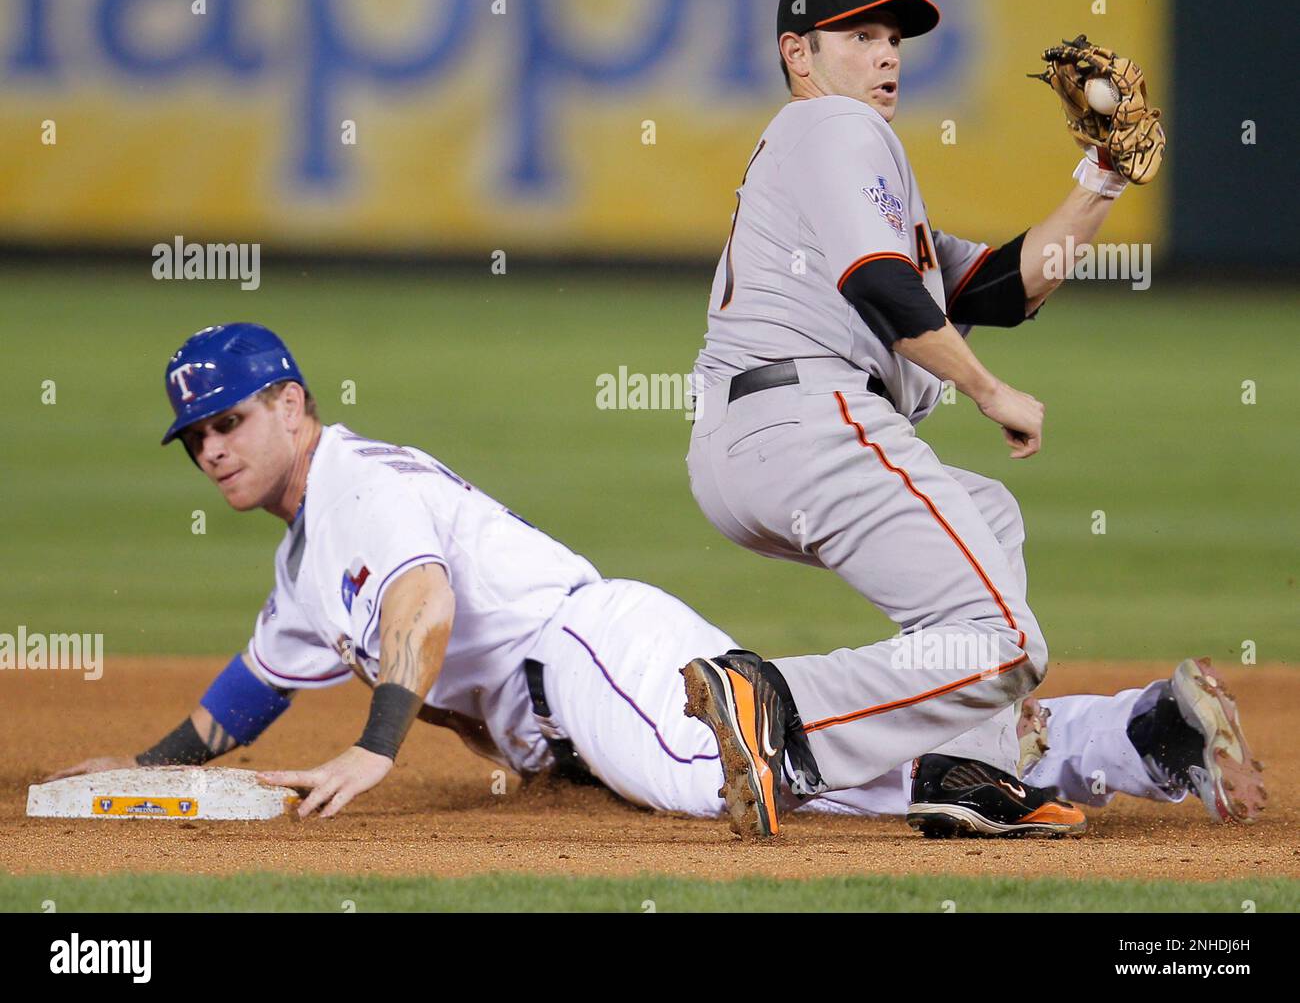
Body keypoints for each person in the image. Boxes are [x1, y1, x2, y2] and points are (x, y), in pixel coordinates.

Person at [46, 324, 1264, 836]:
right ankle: (1129, 739)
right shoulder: (305, 555)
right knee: (788, 776)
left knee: (709, 773)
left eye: (233, 420)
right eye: (196, 436)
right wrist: (147, 772)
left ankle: (939, 752)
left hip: (585, 655)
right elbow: (250, 688)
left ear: (297, 408)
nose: (213, 448)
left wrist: (377, 745)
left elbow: (423, 610)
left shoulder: (357, 486)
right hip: (598, 677)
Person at [679, 0, 1183, 838]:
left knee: (987, 518)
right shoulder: (834, 126)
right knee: (1010, 645)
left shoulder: (823, 158)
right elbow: (881, 286)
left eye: (894, 38)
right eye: (861, 36)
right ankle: (784, 707)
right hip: (810, 418)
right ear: (799, 54)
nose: (887, 56)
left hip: (758, 438)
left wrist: (1101, 177)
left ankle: (967, 771)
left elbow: (996, 289)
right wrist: (987, 390)